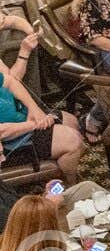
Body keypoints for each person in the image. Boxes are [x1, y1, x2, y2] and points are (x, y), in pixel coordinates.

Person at [0, 31, 83, 181]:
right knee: (73, 140)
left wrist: (35, 110)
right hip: (9, 144)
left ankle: (57, 173)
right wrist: (34, 124)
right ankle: (70, 186)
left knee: (72, 121)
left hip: (20, 114)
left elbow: (10, 81)